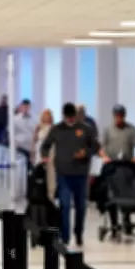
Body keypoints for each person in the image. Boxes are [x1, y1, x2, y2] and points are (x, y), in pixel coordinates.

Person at [40, 102, 101, 249]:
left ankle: (79, 233)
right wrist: (45, 156)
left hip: (80, 174)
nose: (70, 120)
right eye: (68, 118)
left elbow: (96, 146)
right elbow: (46, 145)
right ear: (64, 116)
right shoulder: (57, 129)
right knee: (65, 205)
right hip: (63, 174)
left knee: (80, 206)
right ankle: (65, 236)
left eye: (72, 117)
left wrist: (85, 153)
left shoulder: (86, 129)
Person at [99, 104, 135, 232]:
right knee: (111, 194)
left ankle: (127, 218)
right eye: (117, 117)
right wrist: (104, 157)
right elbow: (101, 148)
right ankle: (113, 222)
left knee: (127, 192)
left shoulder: (131, 130)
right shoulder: (108, 130)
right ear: (114, 117)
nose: (119, 119)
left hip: (127, 166)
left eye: (121, 117)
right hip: (112, 166)